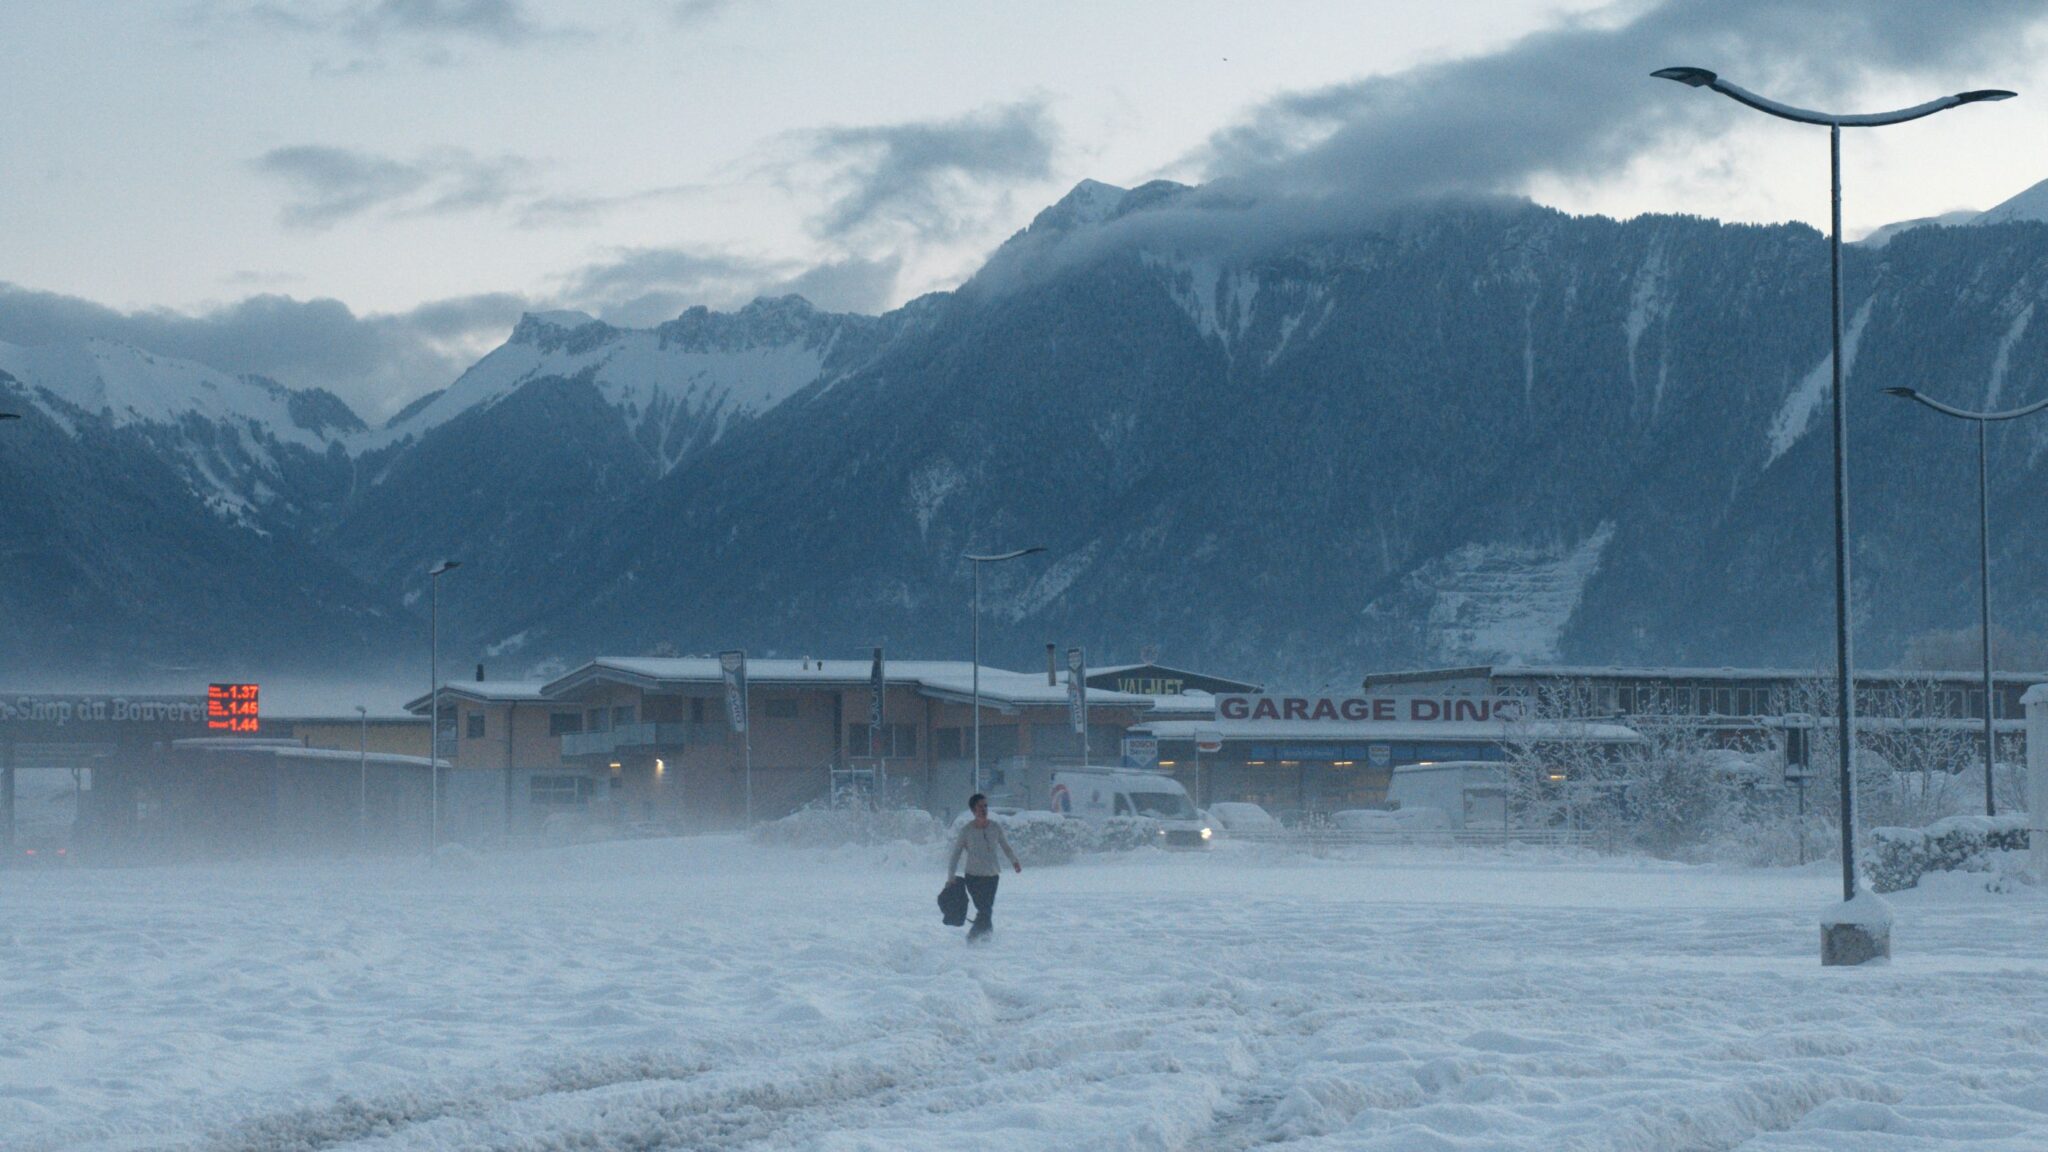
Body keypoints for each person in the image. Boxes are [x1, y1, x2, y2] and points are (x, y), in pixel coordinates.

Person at [946, 793, 1021, 942]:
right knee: (984, 908)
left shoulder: (995, 827)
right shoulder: (966, 830)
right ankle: (976, 936)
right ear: (973, 810)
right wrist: (951, 876)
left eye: (986, 806)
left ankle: (984, 937)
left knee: (986, 909)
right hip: (973, 876)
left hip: (992, 876)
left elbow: (1005, 847)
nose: (984, 809)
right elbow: (956, 854)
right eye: (980, 806)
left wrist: (1014, 862)